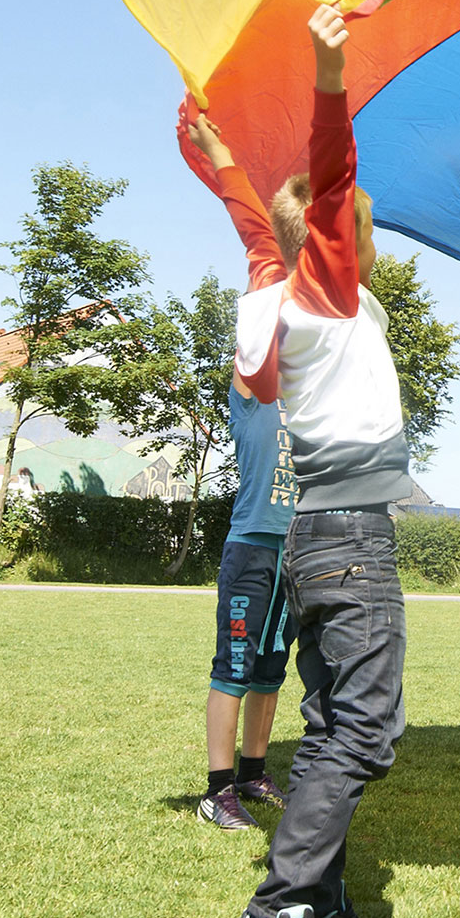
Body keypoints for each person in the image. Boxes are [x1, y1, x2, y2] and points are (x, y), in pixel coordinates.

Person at [200, 2, 410, 918]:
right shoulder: (328, 294)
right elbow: (326, 183)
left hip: (324, 535)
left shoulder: (295, 293)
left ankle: (322, 913)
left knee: (334, 718)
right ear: (343, 241)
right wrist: (329, 70)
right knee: (366, 727)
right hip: (352, 540)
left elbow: (265, 228)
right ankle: (276, 917)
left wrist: (222, 173)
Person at [180, 110, 297, 835]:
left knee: (269, 671)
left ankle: (254, 774)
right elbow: (263, 250)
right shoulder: (252, 383)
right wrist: (222, 151)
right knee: (232, 665)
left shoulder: (307, 394)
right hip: (253, 544)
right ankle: (216, 787)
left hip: (295, 549)